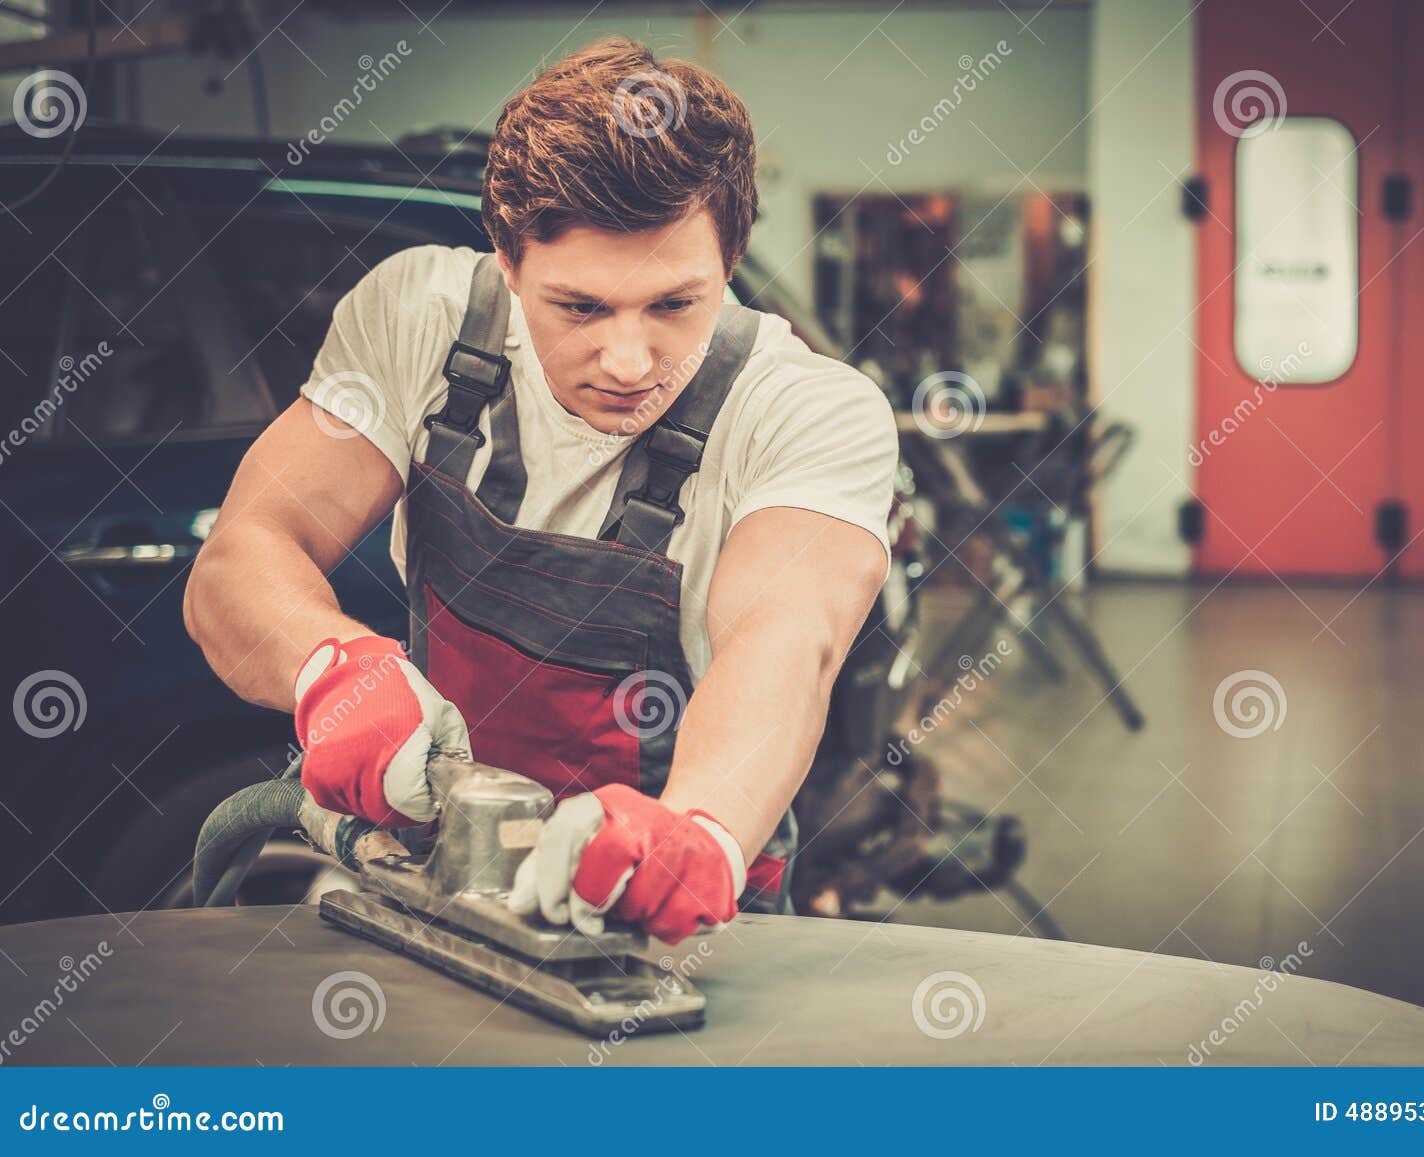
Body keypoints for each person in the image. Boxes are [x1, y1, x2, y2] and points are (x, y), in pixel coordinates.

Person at [183, 36, 898, 945]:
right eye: (582, 308)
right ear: (508, 261)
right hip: (436, 884)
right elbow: (243, 553)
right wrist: (333, 669)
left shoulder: (809, 411)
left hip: (674, 921)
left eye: (675, 304)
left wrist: (702, 830)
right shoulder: (421, 320)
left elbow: (786, 642)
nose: (632, 362)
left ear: (732, 259)